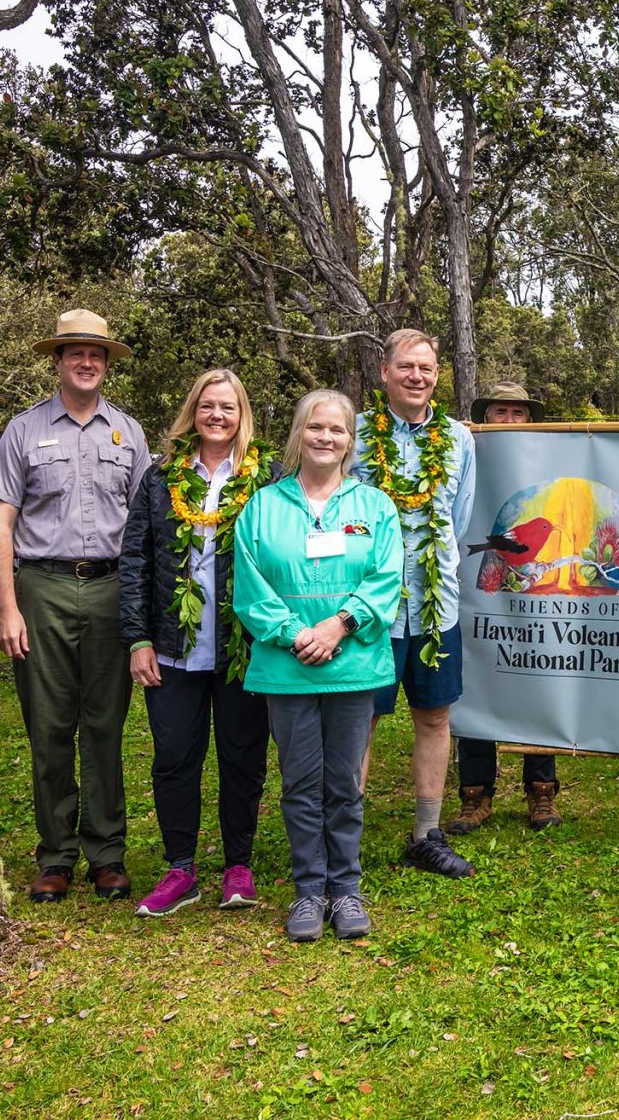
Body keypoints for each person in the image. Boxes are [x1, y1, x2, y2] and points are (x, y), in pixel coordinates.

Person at [0, 309, 150, 904]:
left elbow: (144, 526)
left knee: (105, 725)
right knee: (49, 726)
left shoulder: (129, 434)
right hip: (43, 589)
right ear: (56, 361)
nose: (86, 361)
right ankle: (54, 856)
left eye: (96, 354)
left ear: (107, 364)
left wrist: (142, 612)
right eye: (74, 352)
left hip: (110, 589)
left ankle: (107, 853)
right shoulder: (23, 431)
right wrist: (7, 608)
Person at [233, 389, 403, 942]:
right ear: (299, 434)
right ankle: (309, 892)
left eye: (337, 430)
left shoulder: (373, 507)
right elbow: (251, 586)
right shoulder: (263, 507)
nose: (326, 438)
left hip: (353, 663)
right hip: (289, 667)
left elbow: (385, 577)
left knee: (345, 786)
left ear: (350, 440)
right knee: (300, 783)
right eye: (316, 428)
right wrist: (294, 633)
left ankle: (346, 890)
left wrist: (338, 627)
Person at [120, 369, 277, 917]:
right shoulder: (160, 477)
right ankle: (179, 868)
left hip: (241, 646)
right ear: (193, 411)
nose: (217, 416)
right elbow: (136, 558)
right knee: (174, 757)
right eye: (208, 405)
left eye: (228, 408)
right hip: (173, 646)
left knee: (242, 756)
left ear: (242, 416)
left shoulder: (266, 478)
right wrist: (138, 637)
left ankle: (239, 865)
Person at [353, 329, 478, 878]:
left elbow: (460, 518)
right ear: (385, 372)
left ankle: (427, 832)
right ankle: (344, 835)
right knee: (360, 718)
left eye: (426, 368)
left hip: (434, 604)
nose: (417, 377)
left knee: (435, 715)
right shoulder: (354, 434)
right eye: (406, 367)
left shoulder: (458, 439)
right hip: (366, 608)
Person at [450, 380, 563, 835]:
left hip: (538, 598)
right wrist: (455, 439)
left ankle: (541, 789)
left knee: (539, 680)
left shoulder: (549, 460)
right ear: (486, 417)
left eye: (518, 413)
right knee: (476, 682)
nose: (509, 421)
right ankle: (475, 794)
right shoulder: (464, 449)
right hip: (479, 592)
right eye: (500, 412)